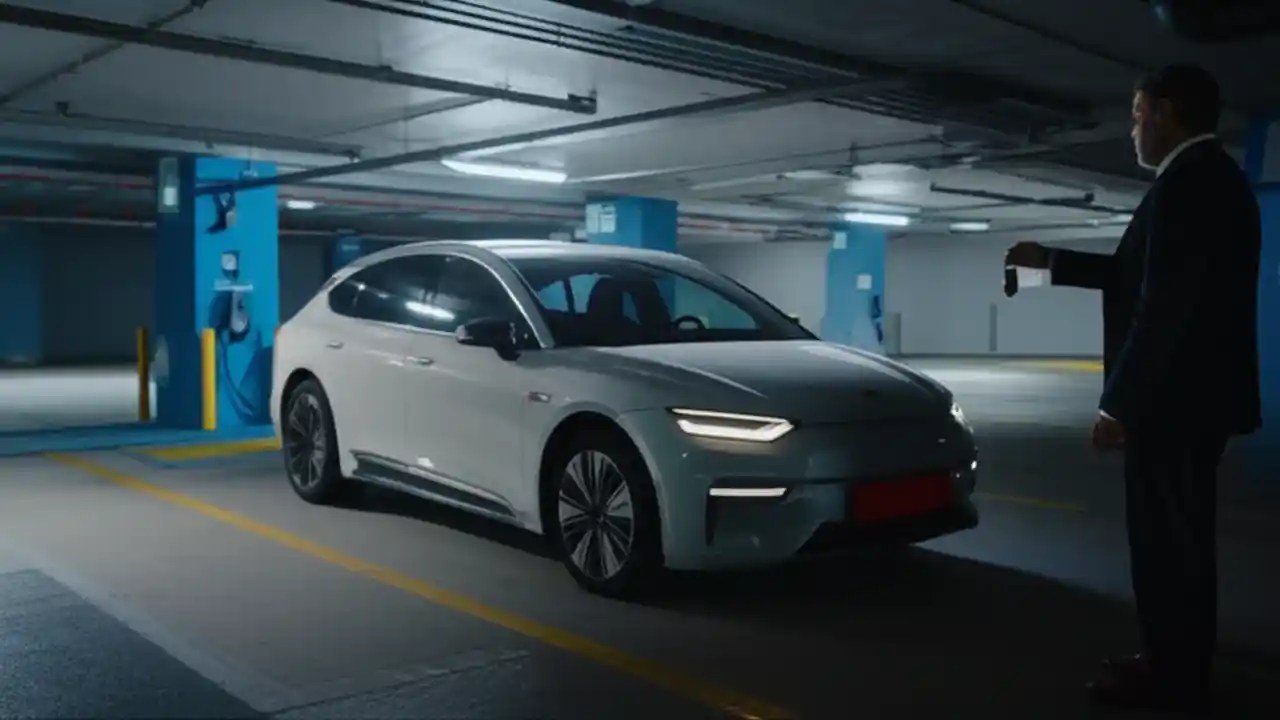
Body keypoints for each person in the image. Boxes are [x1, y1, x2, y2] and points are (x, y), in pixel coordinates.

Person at [1005, 64, 1262, 713]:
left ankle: (1172, 677)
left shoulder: (1189, 186)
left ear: (1169, 112)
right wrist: (1053, 264)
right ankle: (1173, 660)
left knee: (1166, 544)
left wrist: (1119, 402)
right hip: (1193, 402)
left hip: (1173, 406)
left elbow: (1165, 306)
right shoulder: (1209, 181)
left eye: (1138, 113)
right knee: (1178, 540)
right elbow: (1135, 276)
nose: (1134, 128)